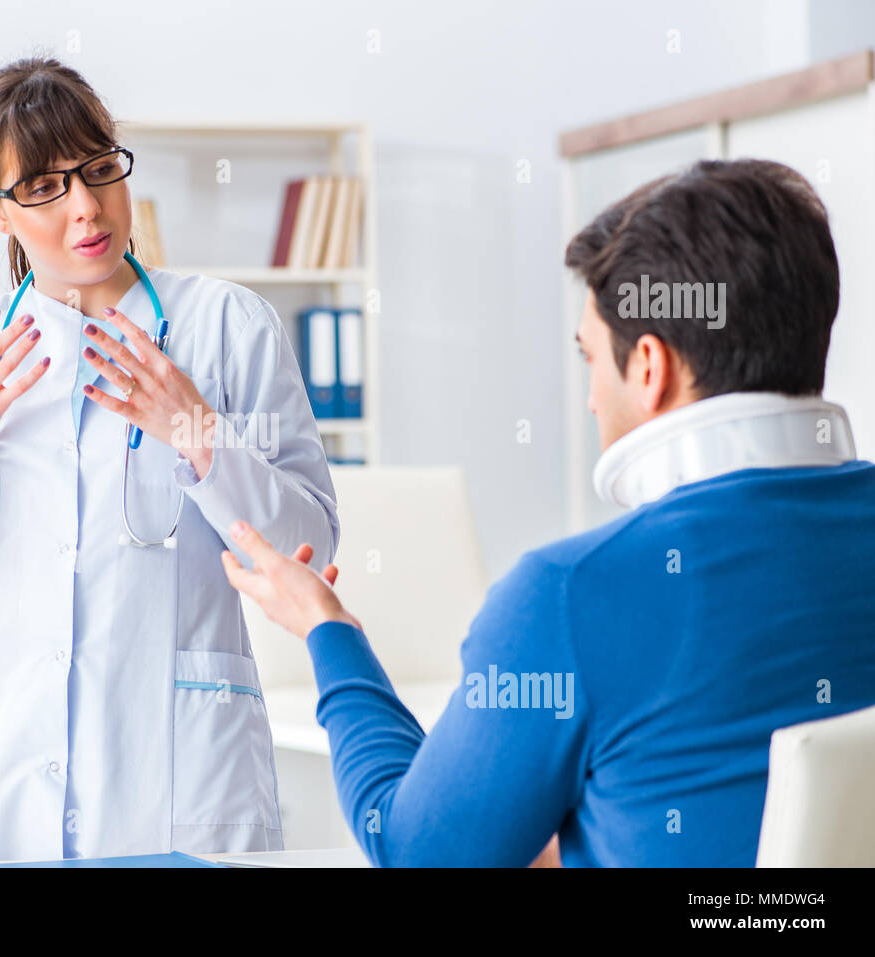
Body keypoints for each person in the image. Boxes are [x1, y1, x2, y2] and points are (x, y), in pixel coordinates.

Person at [223, 158, 875, 866]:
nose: (593, 398)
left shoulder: (571, 595)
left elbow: (417, 852)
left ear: (650, 367)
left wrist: (328, 628)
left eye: (590, 357)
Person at [0, 58, 338, 864]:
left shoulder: (229, 327)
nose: (86, 208)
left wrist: (198, 432)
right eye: (45, 188)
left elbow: (314, 551)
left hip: (175, 793)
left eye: (98, 171)